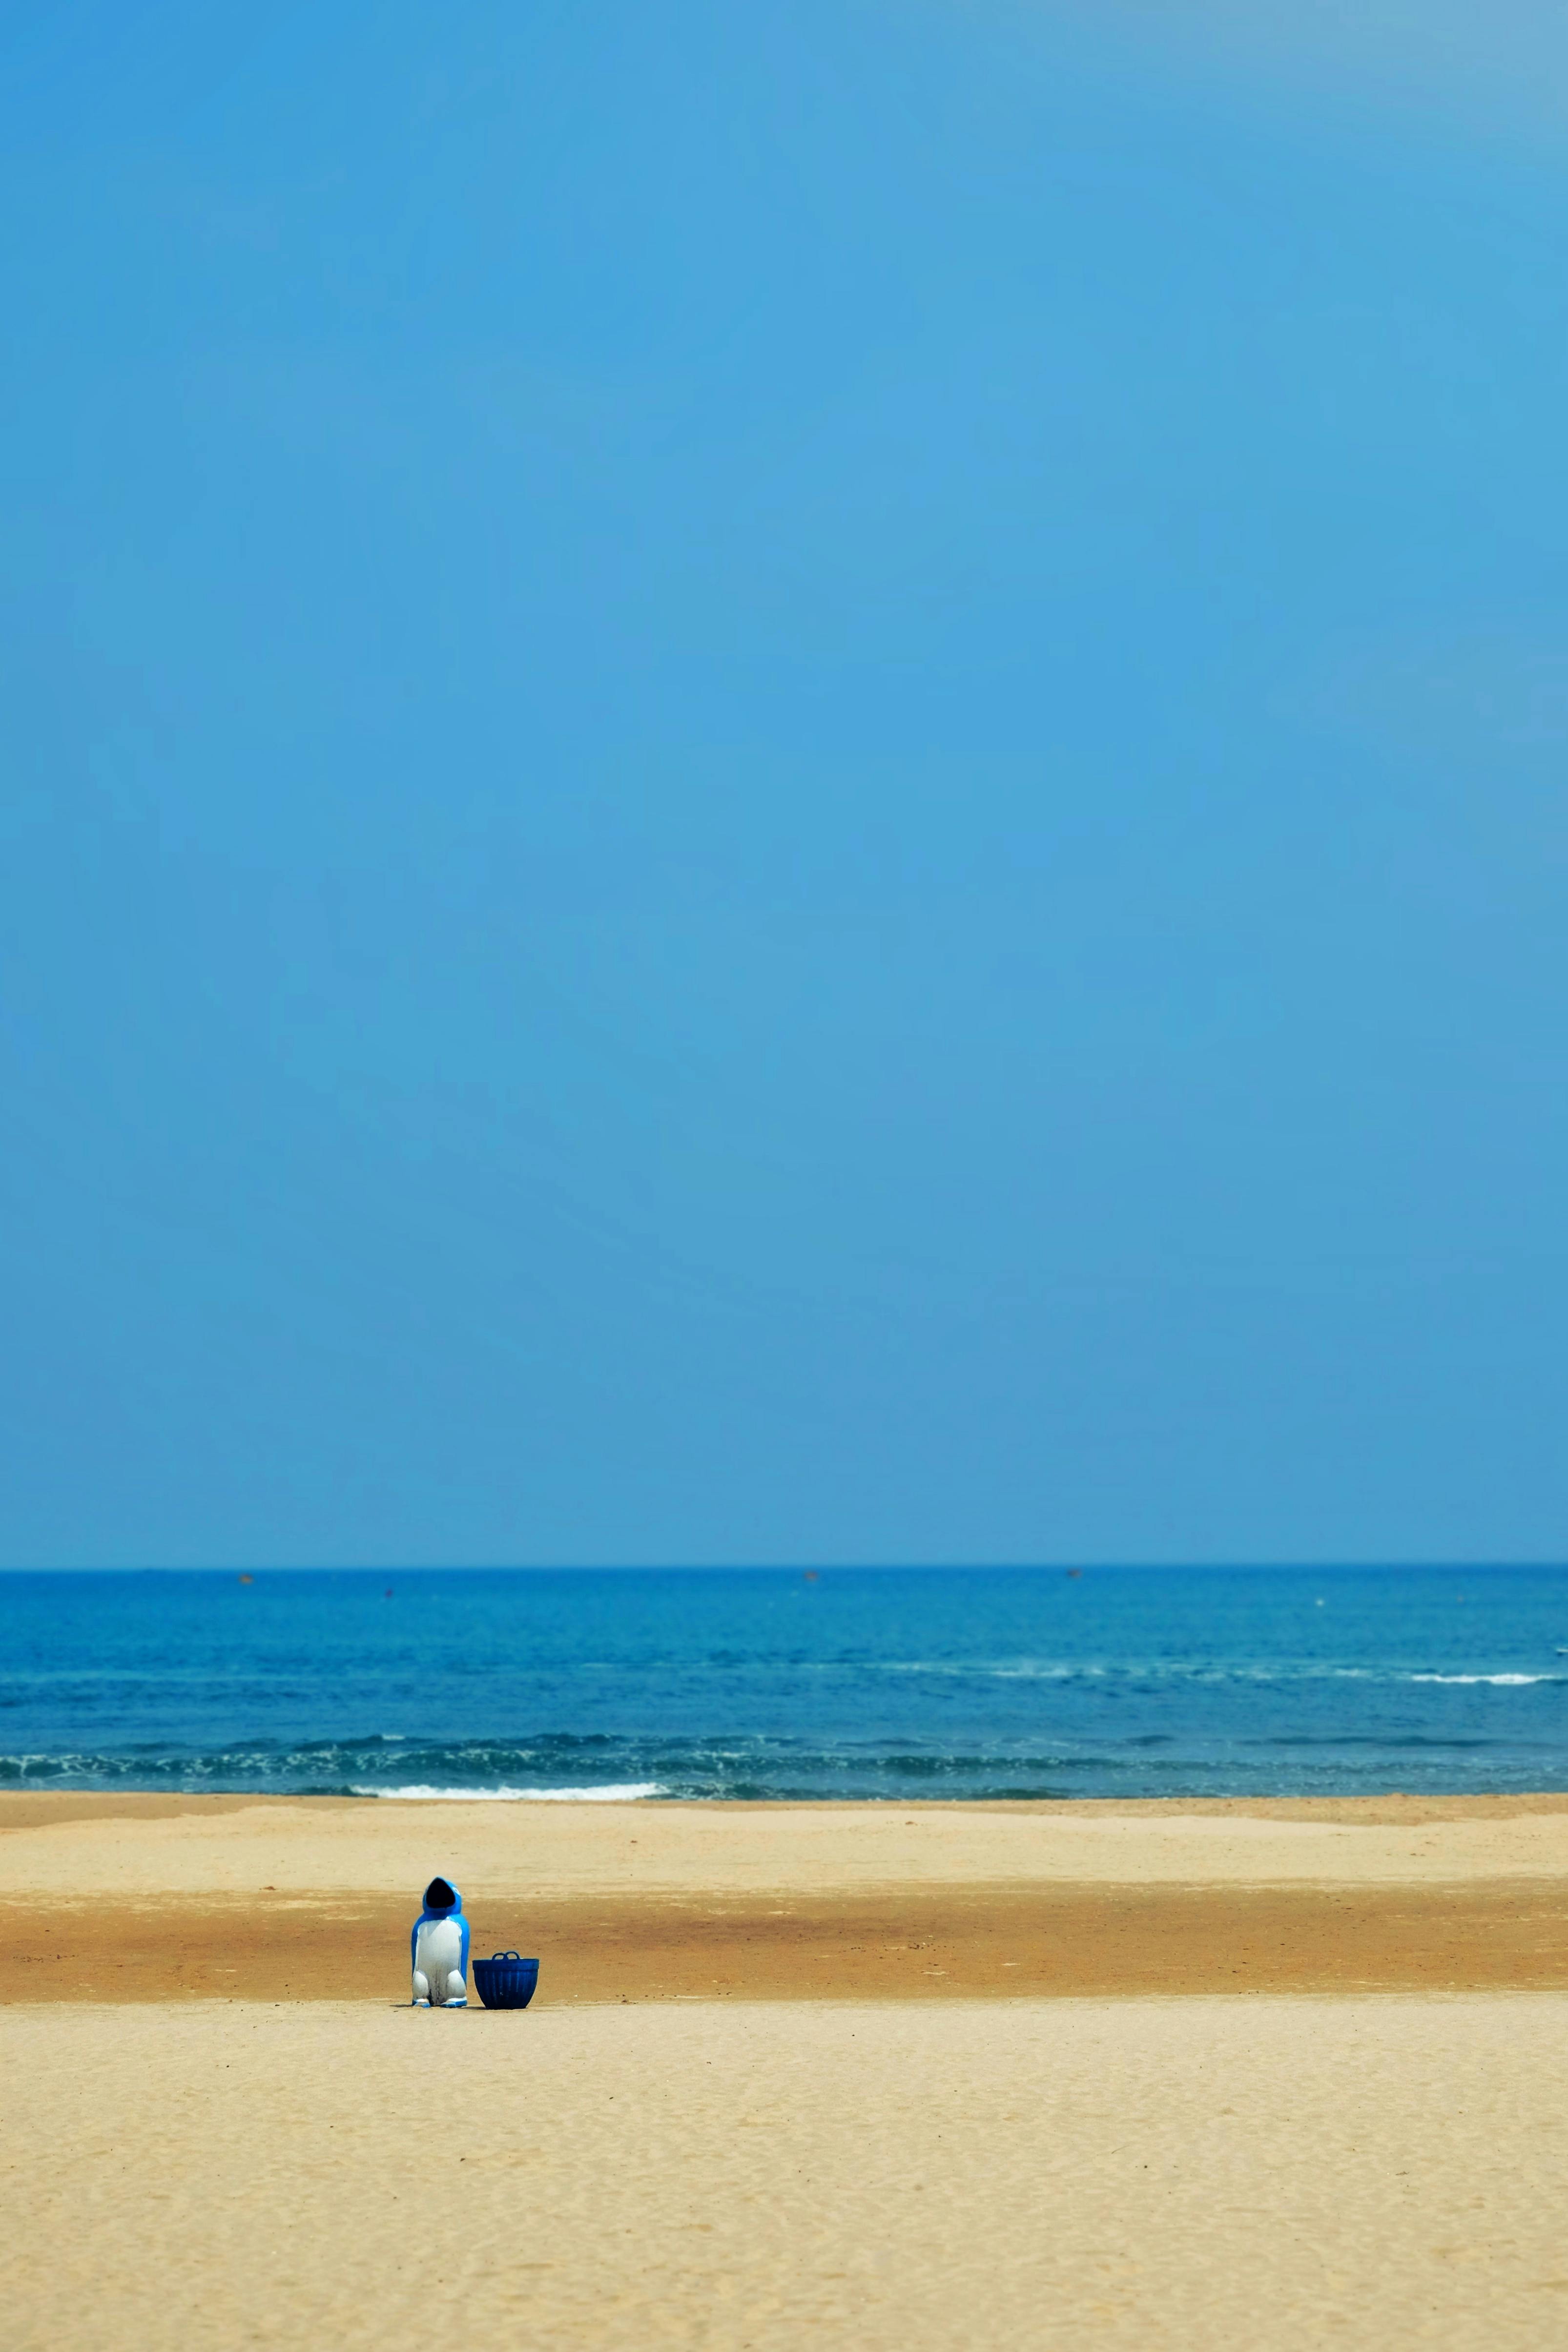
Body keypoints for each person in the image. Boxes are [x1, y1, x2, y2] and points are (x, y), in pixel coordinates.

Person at [410, 1876, 469, 2007]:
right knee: (420, 1977)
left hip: (453, 1972)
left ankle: (457, 1996)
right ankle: (420, 1997)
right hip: (424, 1972)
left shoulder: (459, 1923)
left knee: (455, 1977)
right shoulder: (421, 1924)